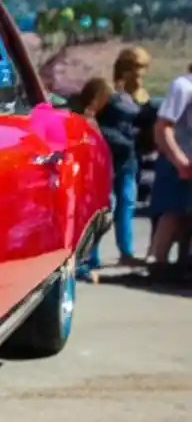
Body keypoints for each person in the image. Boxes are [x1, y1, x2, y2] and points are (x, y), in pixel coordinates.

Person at [91, 48, 151, 270]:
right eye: (137, 68)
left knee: (126, 203)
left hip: (129, 158)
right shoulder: (109, 92)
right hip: (107, 156)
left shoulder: (141, 96)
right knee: (106, 205)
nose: (140, 74)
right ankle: (92, 255)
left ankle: (126, 252)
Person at [148, 65, 192, 272]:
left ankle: (182, 262)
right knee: (172, 213)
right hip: (176, 160)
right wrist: (179, 161)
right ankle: (159, 262)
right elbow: (163, 127)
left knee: (186, 217)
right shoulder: (182, 86)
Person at [75, 77, 115, 282]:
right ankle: (84, 264)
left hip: (95, 178)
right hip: (89, 180)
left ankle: (89, 261)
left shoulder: (89, 118)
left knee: (99, 221)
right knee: (93, 223)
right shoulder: (84, 120)